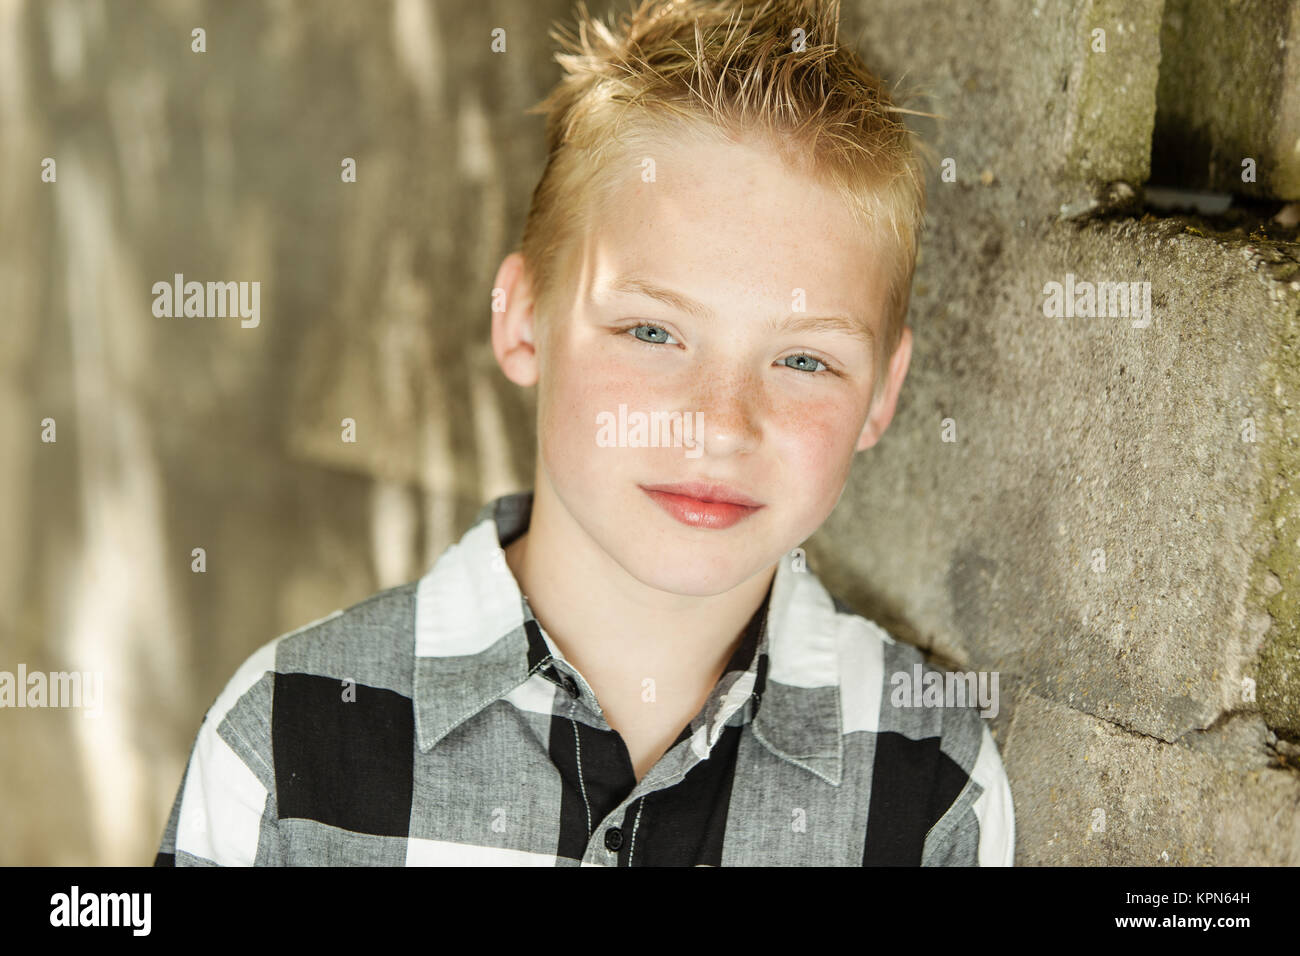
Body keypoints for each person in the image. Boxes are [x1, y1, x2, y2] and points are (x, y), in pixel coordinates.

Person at [155, 0, 1014, 866]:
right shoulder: (285, 743)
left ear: (881, 393)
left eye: (803, 361)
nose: (720, 427)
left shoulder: (932, 777)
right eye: (652, 332)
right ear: (524, 320)